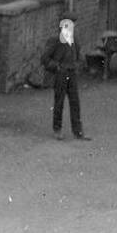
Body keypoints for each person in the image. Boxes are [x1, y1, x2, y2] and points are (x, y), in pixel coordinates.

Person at [42, 12, 91, 141]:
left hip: (72, 73)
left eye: (73, 24)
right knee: (59, 102)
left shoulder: (74, 38)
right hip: (61, 74)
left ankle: (78, 131)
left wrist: (78, 64)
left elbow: (78, 54)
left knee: (75, 102)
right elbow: (45, 58)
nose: (72, 26)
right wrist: (57, 67)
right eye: (69, 24)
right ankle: (57, 129)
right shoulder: (55, 39)